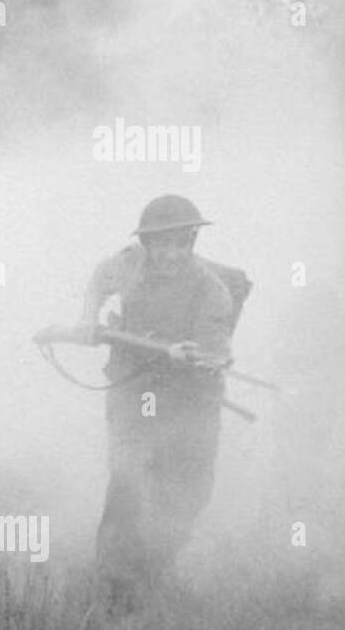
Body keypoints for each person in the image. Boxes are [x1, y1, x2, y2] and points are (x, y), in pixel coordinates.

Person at [76, 194, 249, 609]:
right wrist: (87, 318)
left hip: (192, 397)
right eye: (160, 244)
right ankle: (114, 587)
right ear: (146, 243)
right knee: (128, 476)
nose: (170, 254)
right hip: (133, 389)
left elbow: (216, 350)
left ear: (191, 241)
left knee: (189, 490)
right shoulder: (125, 264)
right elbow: (100, 278)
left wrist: (196, 355)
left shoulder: (213, 290)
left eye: (179, 243)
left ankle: (155, 569)